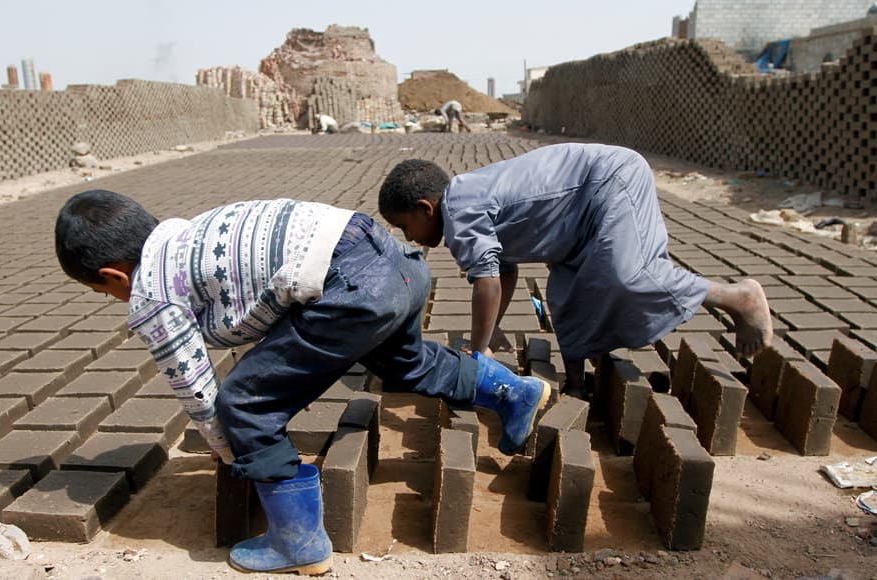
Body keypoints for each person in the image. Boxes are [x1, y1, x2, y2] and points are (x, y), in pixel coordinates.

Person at [54, 190, 550, 575]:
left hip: (349, 287)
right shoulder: (182, 237)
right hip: (392, 262)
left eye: (102, 292)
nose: (112, 299)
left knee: (242, 403)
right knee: (407, 363)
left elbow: (197, 390)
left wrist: (234, 449)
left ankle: (297, 541)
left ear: (113, 276)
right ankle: (514, 392)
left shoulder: (150, 293)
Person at [377, 143, 773, 401]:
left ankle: (738, 297)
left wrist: (479, 352)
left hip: (609, 182)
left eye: (403, 226)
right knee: (566, 297)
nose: (407, 237)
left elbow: (488, 281)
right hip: (572, 226)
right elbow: (505, 271)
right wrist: (493, 325)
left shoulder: (458, 209)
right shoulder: (464, 201)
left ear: (426, 209)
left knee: (628, 275)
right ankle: (579, 387)